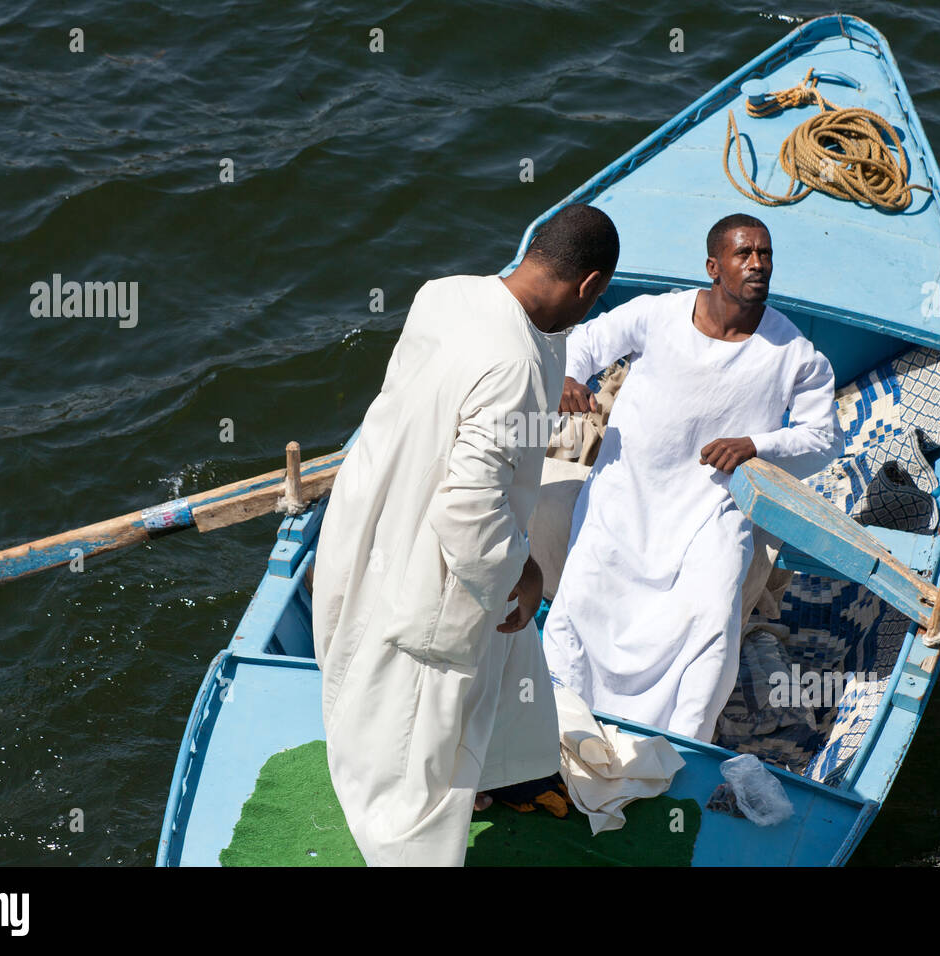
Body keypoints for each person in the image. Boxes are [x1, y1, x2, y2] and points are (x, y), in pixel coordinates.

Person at [310, 204, 619, 866]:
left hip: (375, 506)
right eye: (594, 301)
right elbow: (468, 508)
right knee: (419, 735)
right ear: (589, 285)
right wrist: (523, 573)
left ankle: (511, 774)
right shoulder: (511, 367)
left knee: (510, 661)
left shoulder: (447, 295)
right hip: (442, 558)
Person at [541, 213, 841, 742]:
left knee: (712, 618)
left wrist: (757, 445)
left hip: (713, 510)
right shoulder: (658, 314)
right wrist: (570, 375)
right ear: (713, 266)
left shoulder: (794, 353)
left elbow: (824, 439)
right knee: (582, 599)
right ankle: (561, 725)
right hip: (625, 491)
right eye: (744, 253)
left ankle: (680, 744)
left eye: (765, 254)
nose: (757, 264)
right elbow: (585, 341)